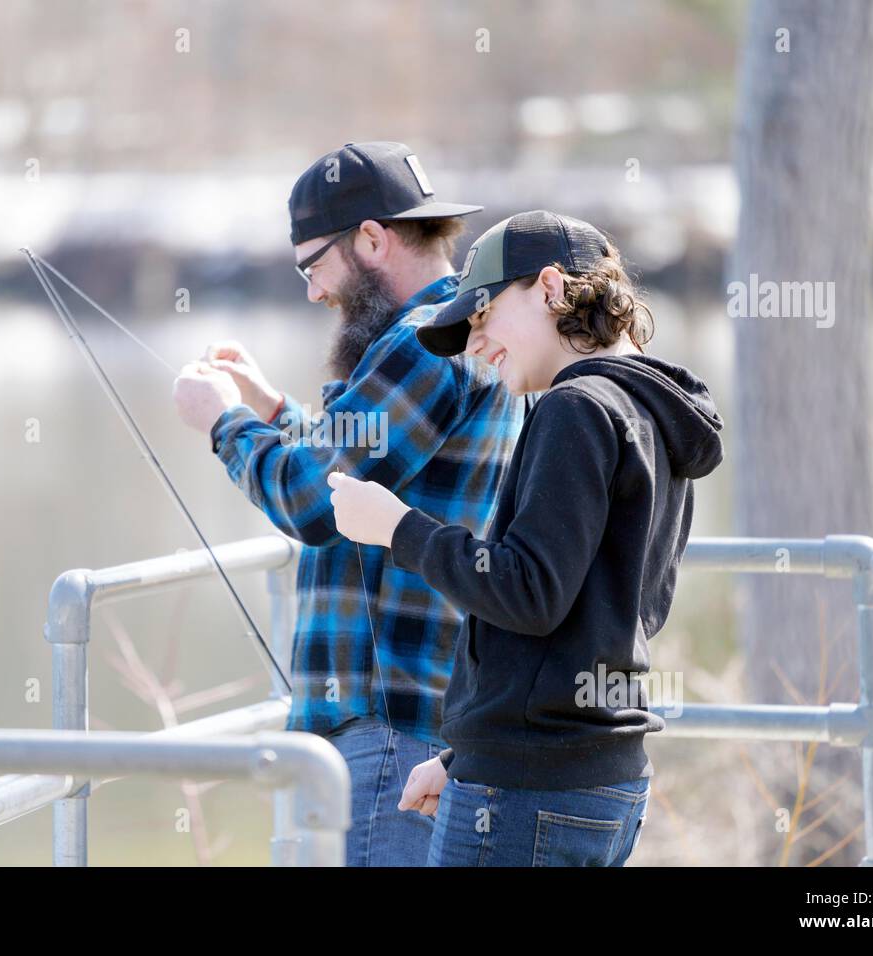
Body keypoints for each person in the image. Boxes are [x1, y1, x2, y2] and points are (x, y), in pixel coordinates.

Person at [327, 210, 724, 866]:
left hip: (528, 792)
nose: (475, 345)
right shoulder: (646, 414)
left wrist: (397, 527)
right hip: (600, 779)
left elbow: (529, 591)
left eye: (482, 317)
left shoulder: (575, 409)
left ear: (548, 287)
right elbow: (597, 617)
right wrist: (463, 756)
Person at [171, 142, 524, 866]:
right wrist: (274, 412)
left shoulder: (423, 342)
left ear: (371, 238)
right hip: (414, 721)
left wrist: (223, 424)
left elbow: (314, 501)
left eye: (314, 264)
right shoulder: (452, 333)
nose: (312, 291)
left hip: (387, 727)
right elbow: (366, 470)